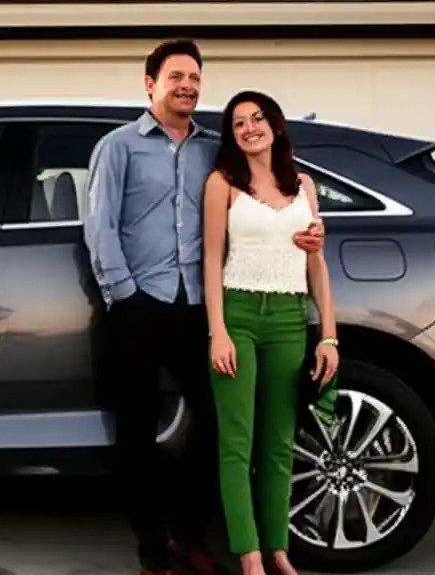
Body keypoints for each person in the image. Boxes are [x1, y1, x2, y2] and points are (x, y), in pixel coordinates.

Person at [83, 41, 325, 575]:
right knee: (136, 431)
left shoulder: (215, 152)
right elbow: (100, 228)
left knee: (218, 425)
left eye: (195, 77)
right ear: (150, 84)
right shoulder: (118, 147)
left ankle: (191, 535)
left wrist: (310, 228)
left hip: (201, 309)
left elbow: (269, 191)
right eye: (176, 76)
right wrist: (126, 297)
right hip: (140, 304)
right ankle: (152, 549)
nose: (188, 85)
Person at [201, 90, 340, 575]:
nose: (249, 128)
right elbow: (211, 259)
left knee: (280, 443)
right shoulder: (222, 183)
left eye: (257, 118)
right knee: (236, 443)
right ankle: (250, 556)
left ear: (276, 125)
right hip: (238, 315)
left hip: (288, 320)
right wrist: (218, 332)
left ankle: (279, 549)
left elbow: (316, 264)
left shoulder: (303, 186)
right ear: (232, 135)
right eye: (239, 123)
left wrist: (329, 337)